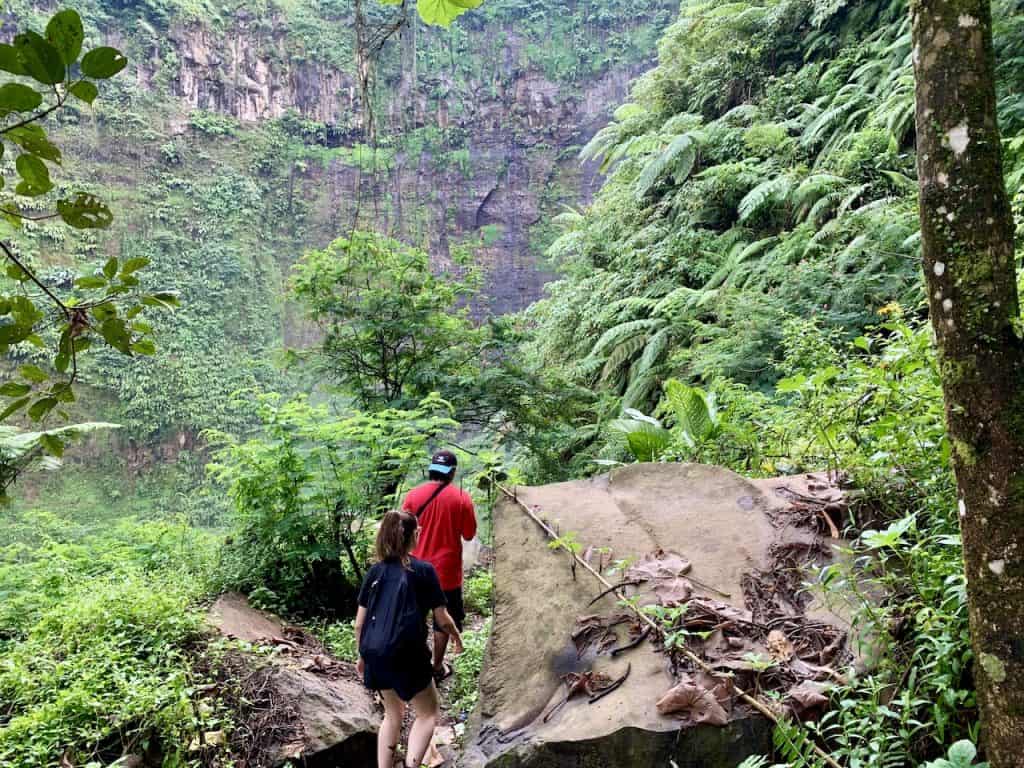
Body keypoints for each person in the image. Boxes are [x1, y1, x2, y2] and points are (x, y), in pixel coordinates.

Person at [355, 510, 464, 768]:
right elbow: (443, 617)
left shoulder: (374, 572)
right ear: (412, 535)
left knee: (392, 715)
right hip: (408, 654)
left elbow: (360, 622)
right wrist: (457, 638)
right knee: (427, 713)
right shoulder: (424, 571)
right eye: (417, 531)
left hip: (374, 653)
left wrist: (362, 655)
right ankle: (411, 765)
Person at [402, 449, 477, 682]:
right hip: (446, 572)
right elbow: (469, 534)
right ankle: (436, 666)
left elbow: (401, 531)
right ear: (452, 473)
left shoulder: (413, 496)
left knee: (413, 616)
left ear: (431, 469)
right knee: (442, 619)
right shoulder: (462, 498)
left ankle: (413, 663)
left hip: (412, 568)